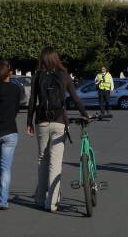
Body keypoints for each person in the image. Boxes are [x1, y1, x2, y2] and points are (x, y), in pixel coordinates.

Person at [26, 47, 89, 213]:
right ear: (56, 59)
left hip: (42, 122)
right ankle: (51, 203)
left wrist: (29, 122)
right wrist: (85, 114)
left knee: (42, 160)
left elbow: (33, 100)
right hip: (60, 121)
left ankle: (40, 199)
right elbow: (75, 99)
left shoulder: (37, 76)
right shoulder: (64, 75)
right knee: (55, 163)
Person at [0, 60, 23, 210]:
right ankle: (3, 200)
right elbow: (16, 109)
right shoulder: (16, 89)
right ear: (10, 72)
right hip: (10, 131)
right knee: (5, 167)